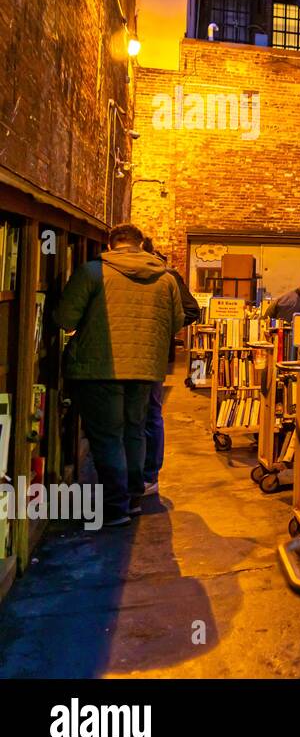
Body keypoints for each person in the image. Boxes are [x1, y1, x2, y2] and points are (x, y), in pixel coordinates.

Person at [54, 223, 184, 526]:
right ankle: (134, 498)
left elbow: (65, 318)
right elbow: (176, 323)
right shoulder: (166, 279)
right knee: (134, 431)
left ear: (112, 244)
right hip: (145, 369)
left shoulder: (92, 272)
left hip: (100, 368)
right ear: (140, 245)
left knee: (108, 436)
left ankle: (115, 507)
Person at [140, 238, 201, 494]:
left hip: (147, 355)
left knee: (147, 414)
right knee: (145, 414)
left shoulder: (167, 276)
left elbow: (191, 310)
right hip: (144, 354)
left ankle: (146, 476)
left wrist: (164, 329)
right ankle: (142, 476)